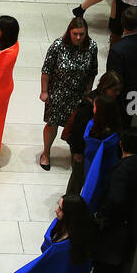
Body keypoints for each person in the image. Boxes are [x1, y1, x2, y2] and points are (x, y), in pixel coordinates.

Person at [81, 127, 137, 273]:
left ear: (120, 144)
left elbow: (115, 199)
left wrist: (100, 215)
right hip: (131, 225)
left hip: (114, 228)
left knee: (102, 270)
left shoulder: (122, 169)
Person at [39, 16, 98, 171]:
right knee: (52, 124)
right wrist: (44, 91)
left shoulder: (91, 46)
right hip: (57, 94)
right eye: (75, 34)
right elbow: (46, 70)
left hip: (78, 96)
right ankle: (46, 153)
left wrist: (89, 91)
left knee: (76, 127)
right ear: (69, 32)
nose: (78, 37)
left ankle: (75, 153)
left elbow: (92, 71)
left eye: (81, 34)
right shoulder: (58, 46)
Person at [64, 86, 122, 196]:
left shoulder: (101, 134)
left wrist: (78, 152)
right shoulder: (114, 132)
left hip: (94, 166)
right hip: (95, 166)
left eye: (95, 106)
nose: (93, 108)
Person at [106, 6, 137, 125]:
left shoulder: (117, 50)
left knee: (124, 124)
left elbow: (113, 78)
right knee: (136, 123)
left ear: (122, 23)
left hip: (126, 96)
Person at [46, 194, 93, 265]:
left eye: (60, 209)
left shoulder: (70, 246)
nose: (56, 210)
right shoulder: (61, 224)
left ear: (70, 215)